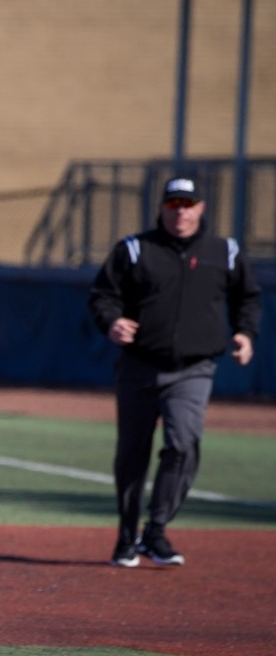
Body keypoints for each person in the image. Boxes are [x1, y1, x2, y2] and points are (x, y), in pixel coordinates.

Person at [88, 177, 258, 568]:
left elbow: (248, 296)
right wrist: (112, 321)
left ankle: (157, 530)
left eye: (188, 204)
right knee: (132, 453)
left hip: (193, 369)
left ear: (201, 208)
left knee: (183, 444)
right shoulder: (134, 250)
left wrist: (246, 334)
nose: (180, 211)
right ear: (162, 208)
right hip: (139, 365)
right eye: (173, 204)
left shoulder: (224, 252)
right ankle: (127, 536)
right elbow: (103, 295)